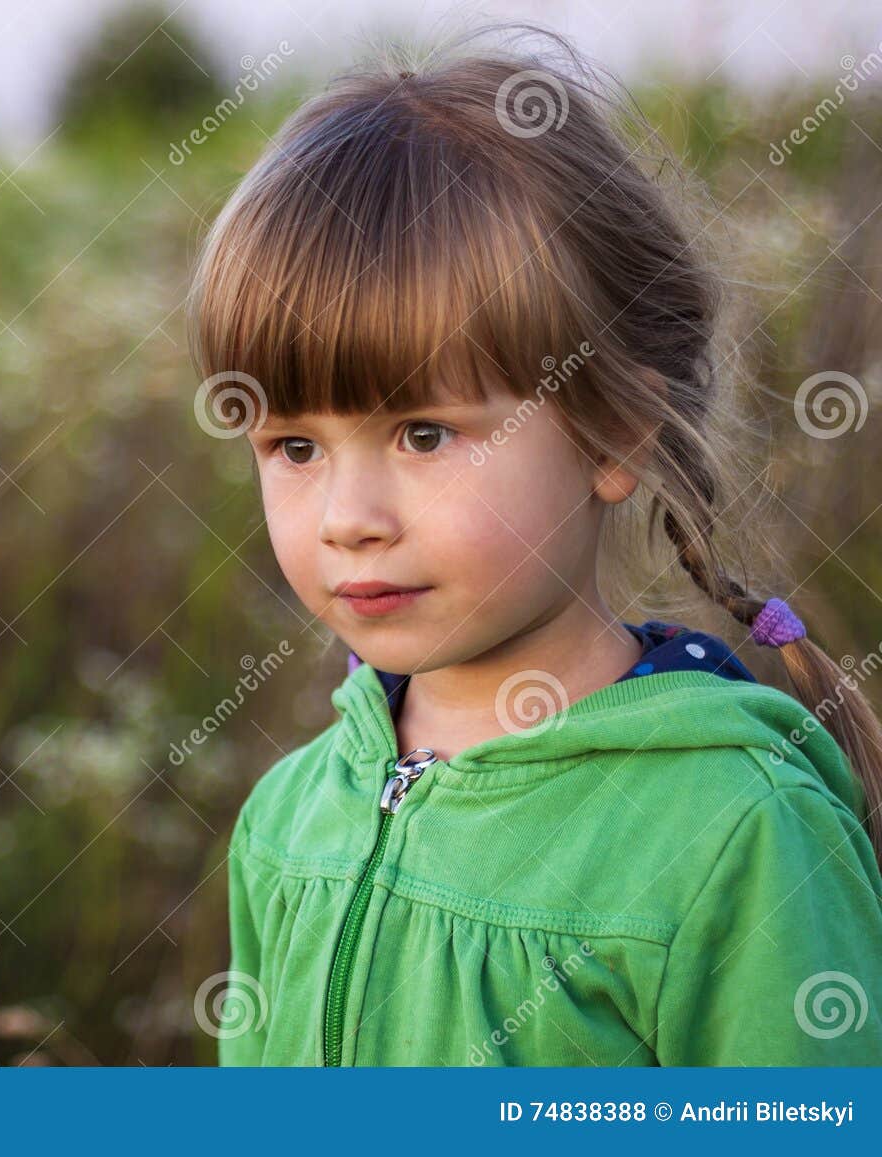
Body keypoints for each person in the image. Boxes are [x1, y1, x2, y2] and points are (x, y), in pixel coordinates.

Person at [189, 24, 882, 1066]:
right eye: (292, 444)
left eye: (424, 433)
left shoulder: (735, 831)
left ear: (611, 434)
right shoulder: (289, 815)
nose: (346, 515)